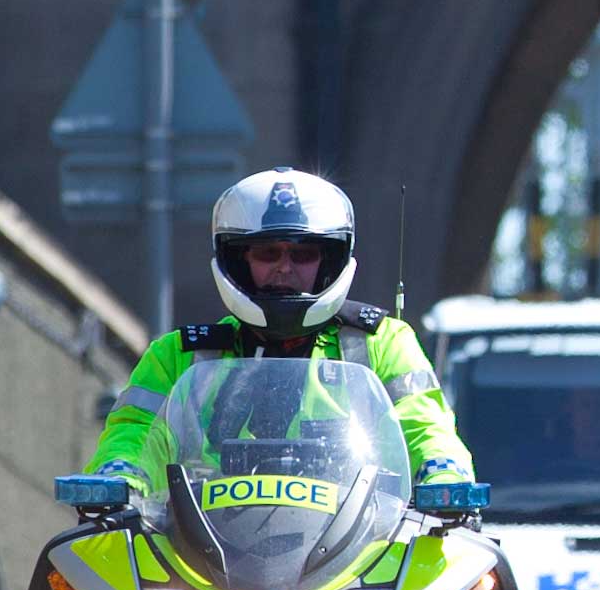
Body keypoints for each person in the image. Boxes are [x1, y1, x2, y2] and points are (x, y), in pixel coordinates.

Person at [90, 167, 477, 494]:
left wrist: (444, 473)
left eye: (304, 254)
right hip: (200, 563)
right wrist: (121, 478)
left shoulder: (381, 343)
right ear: (238, 261)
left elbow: (425, 424)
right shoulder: (182, 355)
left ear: (329, 260)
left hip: (360, 560)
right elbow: (136, 434)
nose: (285, 268)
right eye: (267, 253)